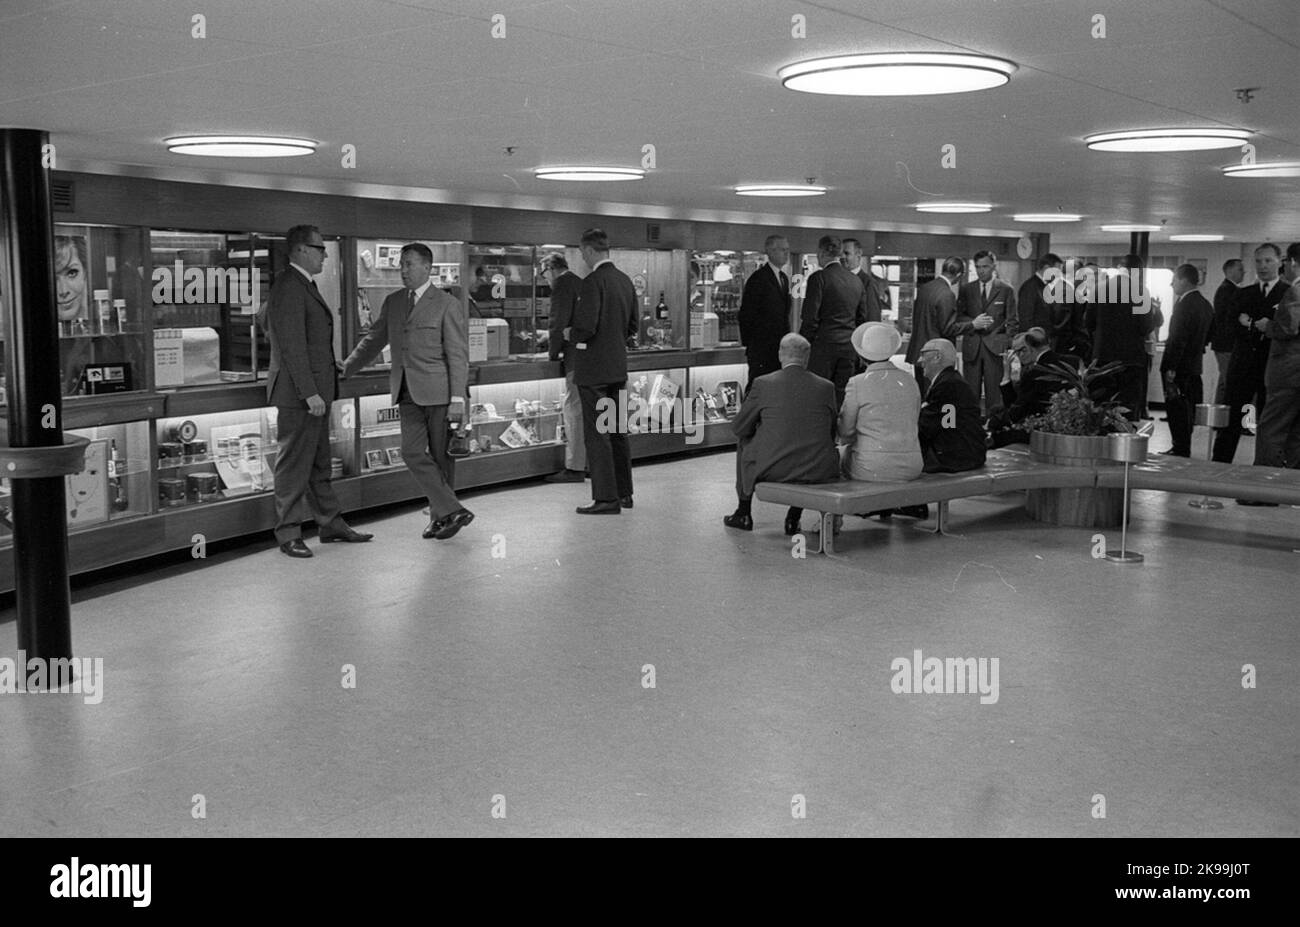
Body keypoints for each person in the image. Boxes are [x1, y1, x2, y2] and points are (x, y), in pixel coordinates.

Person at [342, 242, 473, 540]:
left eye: (409, 264)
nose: (403, 270)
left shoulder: (446, 303)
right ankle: (453, 510)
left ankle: (441, 517)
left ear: (427, 267)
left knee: (441, 458)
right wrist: (346, 367)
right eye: (401, 264)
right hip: (406, 392)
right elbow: (372, 341)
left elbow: (457, 354)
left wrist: (457, 398)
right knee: (412, 452)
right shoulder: (394, 302)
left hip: (439, 394)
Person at [266, 225, 373, 557]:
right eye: (320, 249)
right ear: (300, 250)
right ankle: (288, 533)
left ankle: (330, 523)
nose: (325, 255)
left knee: (318, 463)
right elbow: (292, 346)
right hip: (300, 396)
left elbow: (310, 344)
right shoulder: (288, 286)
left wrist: (331, 366)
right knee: (294, 464)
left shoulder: (303, 285)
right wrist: (309, 391)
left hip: (315, 391)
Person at [723, 334, 839, 535]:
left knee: (744, 442)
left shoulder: (763, 383)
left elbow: (739, 427)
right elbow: (831, 431)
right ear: (807, 357)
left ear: (780, 354)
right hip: (818, 468)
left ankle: (743, 512)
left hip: (773, 467)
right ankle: (793, 519)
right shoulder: (826, 387)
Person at [571, 228, 638, 515]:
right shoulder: (625, 281)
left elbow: (586, 327)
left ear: (587, 251)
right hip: (616, 369)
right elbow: (633, 326)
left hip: (593, 372)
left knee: (597, 434)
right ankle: (624, 493)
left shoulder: (591, 282)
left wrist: (571, 333)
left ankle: (605, 498)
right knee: (617, 431)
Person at [1213, 244, 1290, 463]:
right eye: (1258, 262)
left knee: (1268, 422)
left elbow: (1285, 327)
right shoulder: (1244, 293)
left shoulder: (1287, 293)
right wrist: (1251, 326)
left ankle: (1263, 470)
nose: (1263, 266)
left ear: (1279, 262)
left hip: (1272, 365)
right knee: (1232, 416)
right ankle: (1220, 462)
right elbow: (1230, 324)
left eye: (1268, 261)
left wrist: (1259, 324)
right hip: (1243, 364)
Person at [839, 322, 923, 483]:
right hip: (913, 464)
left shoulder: (857, 383)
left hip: (871, 466)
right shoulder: (909, 380)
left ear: (861, 355)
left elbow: (846, 431)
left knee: (838, 456)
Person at [799, 235, 869, 410]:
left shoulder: (818, 278)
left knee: (818, 397)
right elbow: (862, 318)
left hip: (823, 348)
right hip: (848, 349)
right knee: (842, 396)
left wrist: (804, 344)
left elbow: (810, 316)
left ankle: (822, 435)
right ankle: (840, 433)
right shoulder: (856, 281)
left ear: (821, 252)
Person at [1086, 254, 1157, 421]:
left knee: (1101, 406)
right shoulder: (1140, 292)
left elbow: (1088, 323)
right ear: (1138, 271)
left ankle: (1102, 443)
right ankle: (1125, 443)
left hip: (1102, 358)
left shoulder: (1099, 288)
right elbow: (1146, 327)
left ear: (1120, 267)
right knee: (1127, 408)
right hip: (1131, 360)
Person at [1251, 242, 1300, 472]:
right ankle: (1290, 487)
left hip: (1288, 371)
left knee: (1271, 427)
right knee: (1295, 432)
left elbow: (1289, 327)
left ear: (1290, 262)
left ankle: (1263, 487)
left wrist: (1267, 326)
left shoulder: (1295, 290)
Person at [1159, 264, 1213, 457]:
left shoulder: (1184, 305)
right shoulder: (1205, 304)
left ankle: (1180, 447)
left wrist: (1171, 367)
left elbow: (1178, 338)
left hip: (1179, 366)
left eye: (1174, 280)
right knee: (1188, 407)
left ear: (1183, 280)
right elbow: (1209, 335)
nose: (1172, 284)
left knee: (1176, 408)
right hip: (1194, 364)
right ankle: (1183, 445)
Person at [542, 253, 587, 482]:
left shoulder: (561, 283)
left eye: (544, 274)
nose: (545, 279)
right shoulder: (579, 282)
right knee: (586, 412)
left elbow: (557, 321)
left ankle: (575, 467)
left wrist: (551, 353)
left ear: (551, 269)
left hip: (574, 359)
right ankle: (586, 463)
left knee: (573, 410)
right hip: (589, 358)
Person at [956, 250, 1018, 415]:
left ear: (993, 266)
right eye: (977, 267)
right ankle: (971, 429)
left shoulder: (1006, 290)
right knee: (970, 392)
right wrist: (973, 323)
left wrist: (1007, 344)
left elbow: (1012, 320)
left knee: (995, 394)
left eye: (985, 266)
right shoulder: (966, 289)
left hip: (995, 347)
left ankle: (993, 428)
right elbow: (958, 316)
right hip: (972, 345)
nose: (981, 270)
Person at [987, 327, 1070, 448]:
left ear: (1027, 349)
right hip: (1068, 423)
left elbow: (1015, 412)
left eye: (1016, 352)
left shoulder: (1034, 373)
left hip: (1041, 428)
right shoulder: (1073, 361)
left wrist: (1006, 374)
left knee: (997, 431)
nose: (1017, 356)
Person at [916, 338, 986, 474]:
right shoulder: (950, 380)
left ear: (937, 357)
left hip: (955, 458)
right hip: (963, 453)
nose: (919, 361)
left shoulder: (947, 385)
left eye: (923, 354)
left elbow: (929, 426)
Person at [904, 257, 968, 393]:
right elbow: (948, 328)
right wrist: (973, 324)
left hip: (919, 351)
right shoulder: (947, 294)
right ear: (958, 275)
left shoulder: (924, 288)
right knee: (934, 397)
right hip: (935, 357)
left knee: (922, 395)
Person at [737, 234, 791, 387]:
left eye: (787, 250)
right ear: (770, 251)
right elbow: (746, 314)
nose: (786, 254)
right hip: (761, 348)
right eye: (782, 250)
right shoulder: (758, 279)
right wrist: (752, 345)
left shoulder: (783, 278)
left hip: (778, 349)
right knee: (758, 387)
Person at [1209, 258, 1246, 406]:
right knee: (1230, 381)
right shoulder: (1229, 290)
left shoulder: (1227, 289)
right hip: (1227, 344)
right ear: (1230, 271)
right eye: (1240, 270)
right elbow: (1230, 319)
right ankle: (1226, 418)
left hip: (1223, 343)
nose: (1243, 273)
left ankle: (1219, 417)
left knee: (1225, 382)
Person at [1017, 253, 1064, 346]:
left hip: (1043, 341)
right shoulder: (1030, 287)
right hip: (1035, 343)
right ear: (1047, 268)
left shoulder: (1044, 286)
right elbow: (1026, 319)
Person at [842, 237, 888, 323]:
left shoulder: (868, 283)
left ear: (858, 255)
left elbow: (872, 317)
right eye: (840, 254)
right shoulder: (837, 281)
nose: (842, 257)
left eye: (846, 253)